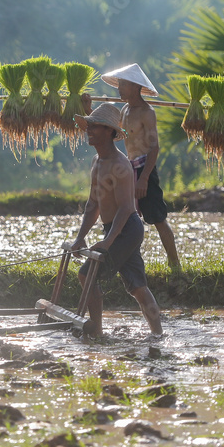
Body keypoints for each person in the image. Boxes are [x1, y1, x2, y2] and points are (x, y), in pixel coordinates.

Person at [69, 102, 163, 339]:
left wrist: (108, 241)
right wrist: (80, 238)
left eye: (96, 126)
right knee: (137, 287)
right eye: (88, 126)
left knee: (86, 274)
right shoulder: (96, 162)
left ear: (110, 131)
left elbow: (125, 208)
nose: (89, 130)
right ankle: (158, 335)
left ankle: (97, 331)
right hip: (114, 229)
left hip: (126, 228)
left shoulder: (120, 164)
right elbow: (93, 205)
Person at [99, 63, 182, 274]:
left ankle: (175, 267)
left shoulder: (147, 112)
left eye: (123, 84)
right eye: (118, 84)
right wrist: (85, 110)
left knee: (158, 218)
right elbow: (107, 129)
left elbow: (154, 147)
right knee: (123, 216)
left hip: (145, 168)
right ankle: (123, 265)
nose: (119, 88)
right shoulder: (125, 110)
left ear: (135, 86)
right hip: (128, 168)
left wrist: (144, 178)